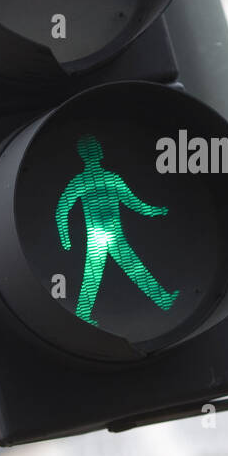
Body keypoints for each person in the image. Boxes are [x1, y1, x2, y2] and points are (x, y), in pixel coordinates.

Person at [55, 134, 179, 325]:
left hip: (108, 235)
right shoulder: (97, 180)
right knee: (102, 274)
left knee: (117, 271)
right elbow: (62, 210)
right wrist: (65, 239)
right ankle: (83, 315)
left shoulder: (93, 180)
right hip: (101, 235)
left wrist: (155, 211)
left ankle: (162, 299)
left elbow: (133, 202)